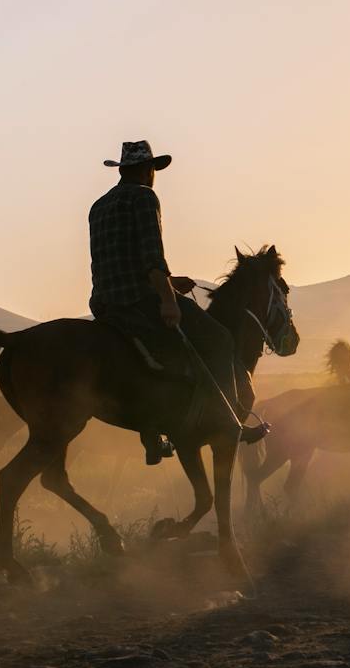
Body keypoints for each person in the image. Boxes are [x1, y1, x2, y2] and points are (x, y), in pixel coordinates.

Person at [88, 141, 265, 464]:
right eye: (153, 169)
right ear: (147, 170)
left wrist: (170, 283)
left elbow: (117, 263)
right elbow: (152, 258)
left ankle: (153, 431)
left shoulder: (98, 206)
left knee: (153, 355)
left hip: (104, 304)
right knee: (219, 339)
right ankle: (230, 422)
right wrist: (168, 299)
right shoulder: (144, 197)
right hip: (139, 299)